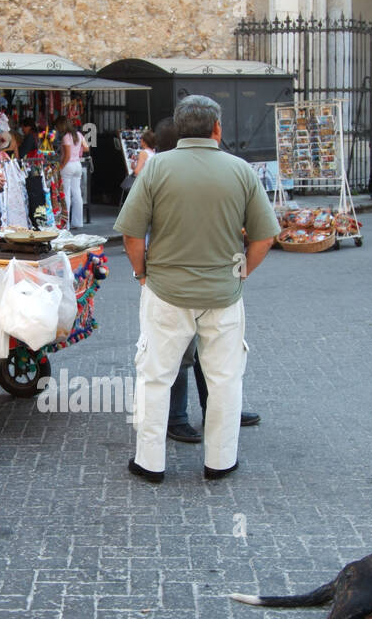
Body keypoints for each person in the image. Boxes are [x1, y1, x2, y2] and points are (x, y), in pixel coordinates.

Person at [115, 95, 279, 483]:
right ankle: (220, 461)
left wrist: (141, 274)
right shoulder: (240, 171)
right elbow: (264, 237)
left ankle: (150, 462)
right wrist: (242, 272)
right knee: (224, 378)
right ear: (217, 128)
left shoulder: (155, 169)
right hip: (222, 293)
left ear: (179, 127)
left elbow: (131, 233)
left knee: (156, 376)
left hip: (165, 291)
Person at [59, 117, 90, 229]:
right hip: (78, 165)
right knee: (77, 193)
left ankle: (65, 224)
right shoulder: (79, 135)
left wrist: (61, 167)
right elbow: (87, 148)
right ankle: (77, 222)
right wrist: (79, 150)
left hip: (68, 166)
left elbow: (67, 155)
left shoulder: (66, 137)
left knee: (66, 193)